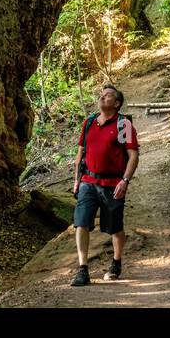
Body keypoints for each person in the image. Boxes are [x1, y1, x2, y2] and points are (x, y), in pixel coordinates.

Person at [70, 84, 139, 285]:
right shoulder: (89, 122)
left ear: (116, 103)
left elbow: (133, 155)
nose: (102, 97)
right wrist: (76, 180)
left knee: (114, 228)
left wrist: (125, 181)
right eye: (102, 94)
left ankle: (116, 262)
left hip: (112, 183)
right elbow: (80, 154)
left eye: (108, 96)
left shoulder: (123, 125)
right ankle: (83, 270)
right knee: (81, 223)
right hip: (88, 182)